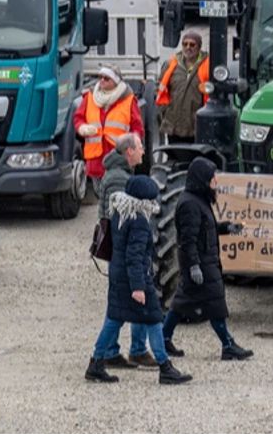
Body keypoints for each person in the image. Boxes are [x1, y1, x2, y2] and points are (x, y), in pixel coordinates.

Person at [86, 176, 193, 385]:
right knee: (153, 319)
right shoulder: (140, 221)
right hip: (135, 281)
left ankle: (96, 363)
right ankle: (165, 367)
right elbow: (135, 257)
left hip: (119, 276)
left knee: (114, 319)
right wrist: (138, 287)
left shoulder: (120, 212)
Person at [163, 157, 254, 361]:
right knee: (215, 303)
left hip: (204, 260)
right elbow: (188, 240)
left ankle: (163, 338)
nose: (216, 183)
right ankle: (228, 344)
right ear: (203, 180)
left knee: (181, 302)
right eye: (213, 179)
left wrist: (227, 227)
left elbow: (206, 228)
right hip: (201, 262)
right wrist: (194, 265)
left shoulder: (199, 200)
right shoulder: (190, 204)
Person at [96, 133, 154, 368]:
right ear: (128, 151)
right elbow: (121, 219)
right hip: (124, 253)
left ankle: (118, 350)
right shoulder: (120, 180)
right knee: (125, 303)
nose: (143, 151)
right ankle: (115, 352)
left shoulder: (120, 174)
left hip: (122, 252)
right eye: (140, 146)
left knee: (122, 303)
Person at [74, 66, 145, 181]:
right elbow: (78, 118)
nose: (102, 80)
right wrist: (81, 127)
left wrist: (135, 143)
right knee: (100, 195)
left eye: (107, 78)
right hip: (95, 161)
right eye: (100, 77)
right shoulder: (90, 97)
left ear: (116, 82)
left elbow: (137, 127)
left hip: (119, 160)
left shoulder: (128, 100)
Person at [156, 31, 210, 144]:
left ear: (199, 47)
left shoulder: (208, 65)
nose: (188, 47)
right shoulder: (171, 64)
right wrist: (165, 111)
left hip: (196, 127)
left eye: (192, 44)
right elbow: (160, 87)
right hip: (173, 126)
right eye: (185, 44)